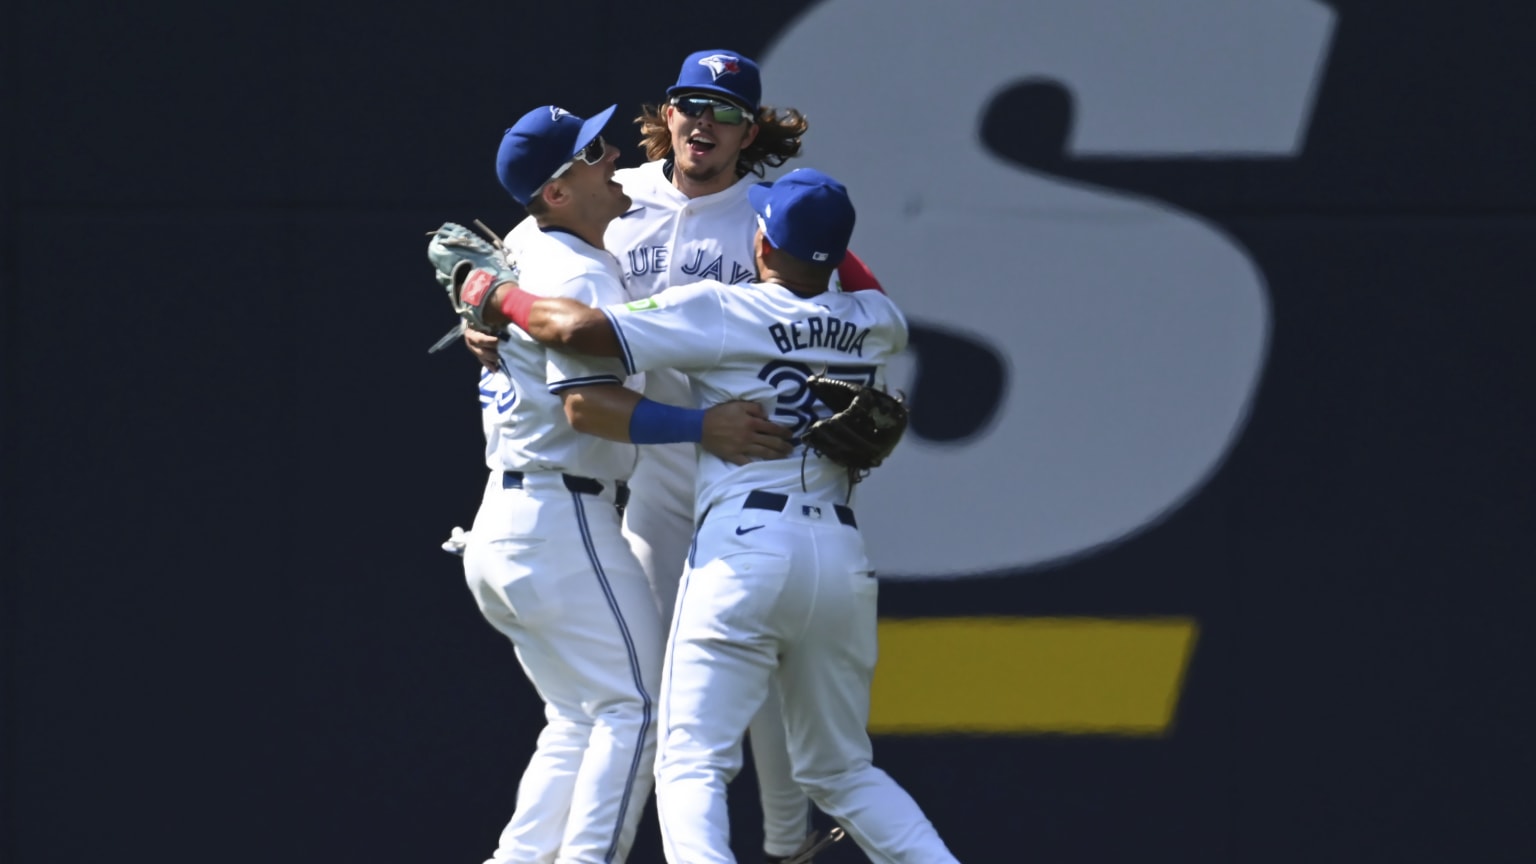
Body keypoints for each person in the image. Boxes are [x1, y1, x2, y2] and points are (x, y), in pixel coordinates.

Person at [466, 167, 961, 864]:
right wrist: (818, 229)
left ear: (763, 244)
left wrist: (494, 295)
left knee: (690, 762)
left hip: (744, 550)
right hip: (840, 558)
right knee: (844, 772)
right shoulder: (880, 324)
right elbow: (851, 268)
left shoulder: (727, 310)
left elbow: (573, 329)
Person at [460, 103, 791, 864]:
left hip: (508, 522)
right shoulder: (577, 270)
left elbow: (470, 264)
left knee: (579, 718)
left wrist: (471, 298)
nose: (610, 157)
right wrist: (701, 427)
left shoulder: (536, 248)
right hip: (560, 516)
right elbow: (585, 406)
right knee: (638, 710)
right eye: (589, 154)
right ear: (556, 192)